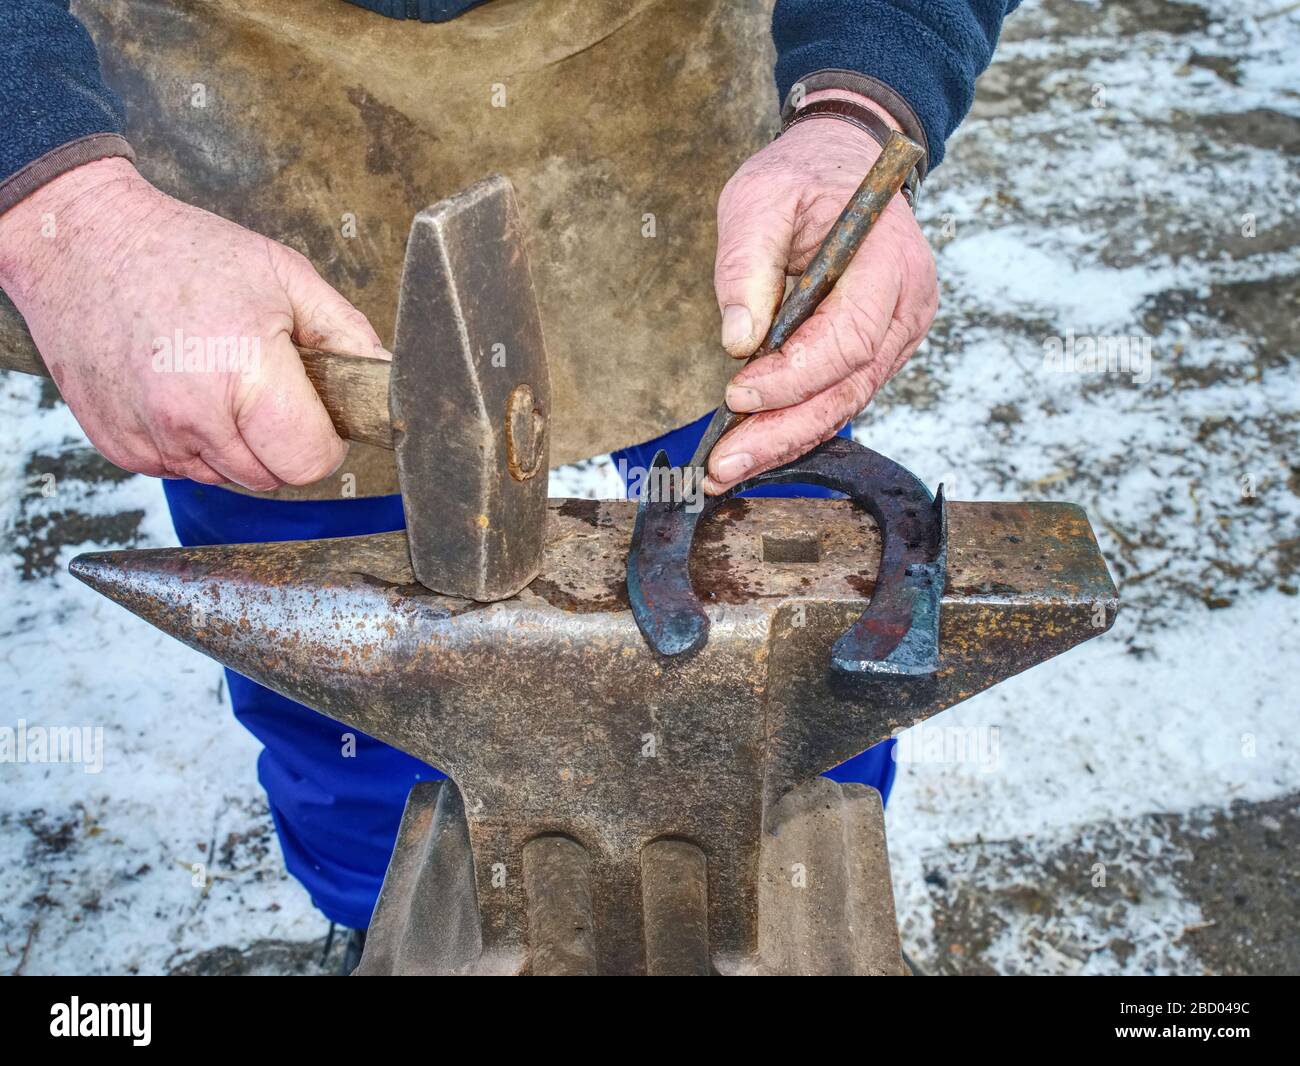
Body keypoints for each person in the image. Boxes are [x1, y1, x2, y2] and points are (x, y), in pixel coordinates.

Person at [0, 0, 1020, 956]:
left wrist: (864, 95)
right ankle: (400, 925)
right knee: (358, 691)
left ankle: (794, 909)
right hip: (236, 121)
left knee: (803, 631)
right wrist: (52, 193)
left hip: (671, 103)